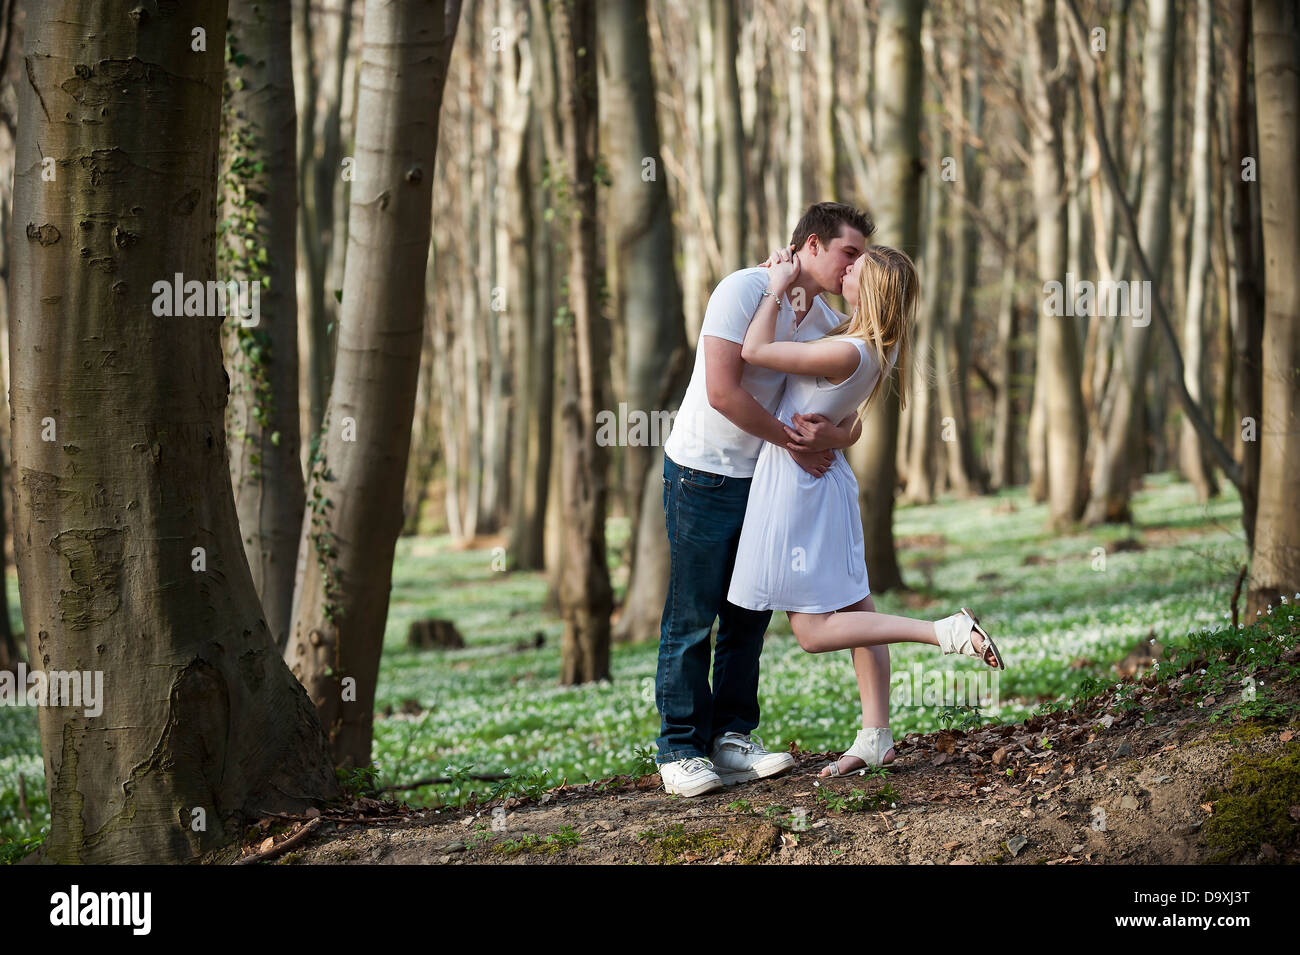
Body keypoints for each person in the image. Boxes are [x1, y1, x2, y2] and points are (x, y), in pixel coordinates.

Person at [727, 243, 1005, 779]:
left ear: (873, 287)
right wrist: (839, 430)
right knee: (858, 613)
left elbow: (754, 351)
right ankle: (876, 737)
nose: (846, 269)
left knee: (811, 632)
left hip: (799, 489)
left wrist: (775, 286)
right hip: (825, 481)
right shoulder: (876, 346)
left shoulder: (849, 350)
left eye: (858, 267)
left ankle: (944, 632)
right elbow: (848, 418)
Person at [656, 202, 873, 797]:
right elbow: (723, 392)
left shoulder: (828, 317)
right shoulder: (743, 290)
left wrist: (837, 436)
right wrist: (792, 443)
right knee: (693, 615)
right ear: (811, 245)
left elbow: (848, 405)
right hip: (702, 473)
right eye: (848, 253)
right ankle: (678, 750)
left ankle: (731, 740)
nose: (856, 266)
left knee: (749, 616)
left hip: (767, 483)